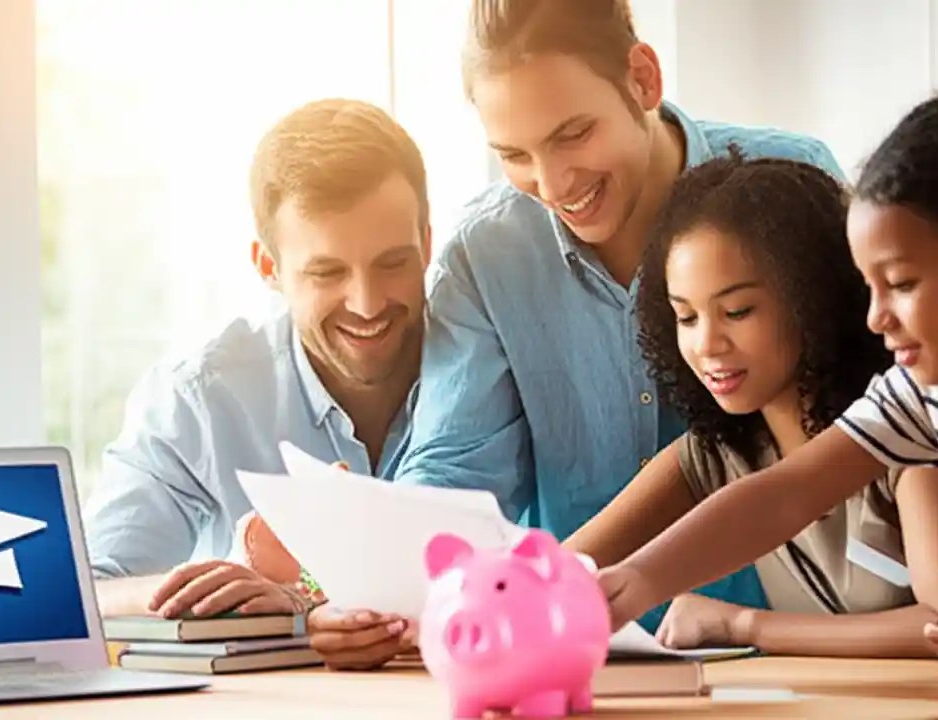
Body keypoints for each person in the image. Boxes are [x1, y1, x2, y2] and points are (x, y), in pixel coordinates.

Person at [344, 0, 840, 647]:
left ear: (643, 79)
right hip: (570, 651)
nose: (551, 183)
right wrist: (364, 592)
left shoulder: (791, 185)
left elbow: (878, 420)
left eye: (572, 134)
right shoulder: (486, 254)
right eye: (513, 154)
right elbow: (451, 473)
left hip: (796, 649)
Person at [599, 93, 938, 670]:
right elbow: (786, 494)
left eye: (902, 284)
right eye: (870, 286)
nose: (875, 317)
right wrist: (638, 579)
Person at [566, 149, 938, 657]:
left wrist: (746, 624)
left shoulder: (899, 432)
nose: (707, 345)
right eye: (686, 317)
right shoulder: (713, 453)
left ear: (813, 297)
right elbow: (562, 567)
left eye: (737, 311)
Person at [83, 99, 429, 639]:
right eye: (327, 272)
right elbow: (90, 590)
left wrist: (306, 591)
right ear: (269, 268)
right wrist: (220, 588)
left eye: (393, 263)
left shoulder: (485, 363)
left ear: (427, 242)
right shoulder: (199, 401)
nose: (366, 303)